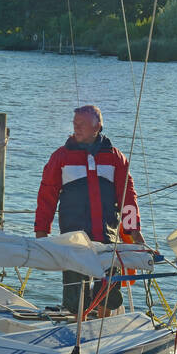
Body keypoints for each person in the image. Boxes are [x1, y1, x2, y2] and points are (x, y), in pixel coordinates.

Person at [34, 104, 144, 316]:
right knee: (76, 294)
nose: (76, 128)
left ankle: (103, 326)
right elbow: (46, 197)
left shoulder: (115, 158)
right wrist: (41, 234)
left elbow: (127, 198)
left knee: (109, 291)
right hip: (73, 239)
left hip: (107, 237)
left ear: (97, 126)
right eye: (75, 123)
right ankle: (78, 328)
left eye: (82, 124)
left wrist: (134, 232)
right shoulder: (61, 157)